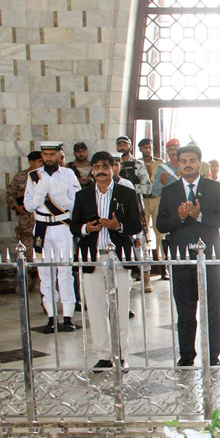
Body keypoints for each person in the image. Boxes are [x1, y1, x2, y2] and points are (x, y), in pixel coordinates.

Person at [156, 144, 220, 367]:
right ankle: (187, 354)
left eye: (192, 160)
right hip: (181, 258)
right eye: (184, 161)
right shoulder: (169, 191)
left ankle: (213, 355)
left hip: (209, 257)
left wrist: (199, 215)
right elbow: (161, 225)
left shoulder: (214, 188)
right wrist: (179, 217)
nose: (188, 164)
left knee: (212, 308)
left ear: (200, 163)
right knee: (185, 310)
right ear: (177, 164)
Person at [70, 151, 144, 370]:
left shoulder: (126, 193)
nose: (100, 171)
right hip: (93, 258)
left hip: (118, 258)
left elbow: (137, 226)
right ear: (92, 170)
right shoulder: (82, 196)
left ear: (113, 168)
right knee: (95, 307)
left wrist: (117, 226)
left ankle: (121, 354)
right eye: (96, 167)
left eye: (105, 166)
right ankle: (103, 354)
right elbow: (74, 226)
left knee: (120, 308)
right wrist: (86, 228)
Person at [24, 141, 81, 332]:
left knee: (65, 272)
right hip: (41, 227)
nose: (48, 158)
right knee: (45, 272)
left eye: (52, 154)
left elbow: (78, 202)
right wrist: (40, 195)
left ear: (59, 154)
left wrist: (62, 200)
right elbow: (28, 206)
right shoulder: (33, 176)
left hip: (62, 226)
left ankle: (68, 316)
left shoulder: (68, 174)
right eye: (45, 154)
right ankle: (50, 316)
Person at [139, 138, 171, 281]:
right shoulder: (138, 164)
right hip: (143, 200)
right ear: (140, 149)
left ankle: (164, 266)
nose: (148, 150)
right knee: (144, 235)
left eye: (149, 147)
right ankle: (145, 269)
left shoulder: (160, 163)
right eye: (145, 147)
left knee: (161, 233)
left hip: (157, 199)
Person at [8, 151, 43, 269]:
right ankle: (27, 280)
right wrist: (16, 207)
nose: (42, 163)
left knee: (42, 255)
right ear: (31, 162)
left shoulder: (46, 175)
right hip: (26, 221)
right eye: (39, 161)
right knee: (27, 255)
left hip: (42, 219)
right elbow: (9, 195)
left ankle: (39, 283)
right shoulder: (20, 177)